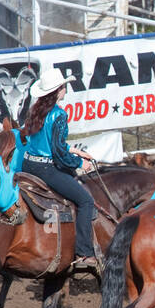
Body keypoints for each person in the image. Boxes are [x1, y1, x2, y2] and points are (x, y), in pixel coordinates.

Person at [19, 67, 100, 274]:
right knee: (85, 201)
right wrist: (81, 163)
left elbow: (50, 143)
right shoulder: (59, 115)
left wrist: (75, 151)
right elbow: (58, 154)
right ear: (57, 91)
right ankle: (84, 253)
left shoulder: (36, 110)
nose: (65, 88)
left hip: (28, 165)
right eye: (63, 86)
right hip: (46, 169)